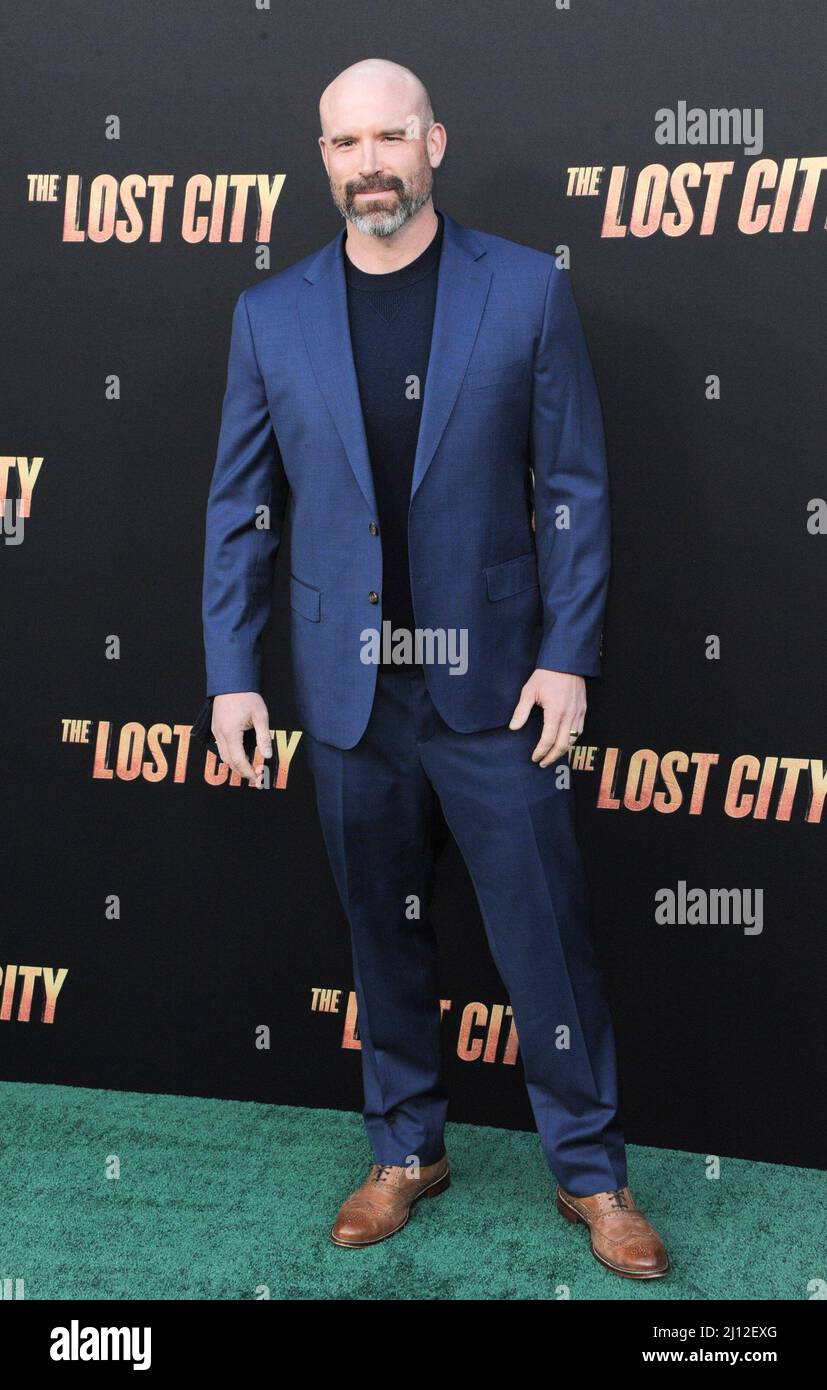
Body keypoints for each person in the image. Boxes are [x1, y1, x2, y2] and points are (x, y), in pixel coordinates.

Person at [193, 57, 669, 1280]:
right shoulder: (269, 315)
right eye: (345, 144)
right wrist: (232, 675)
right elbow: (242, 506)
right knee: (379, 935)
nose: (369, 166)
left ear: (434, 143)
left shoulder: (522, 290)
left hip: (495, 687)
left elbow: (572, 488)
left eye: (389, 139)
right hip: (349, 693)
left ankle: (590, 1171)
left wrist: (568, 657)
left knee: (542, 936)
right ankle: (405, 1149)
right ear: (323, 159)